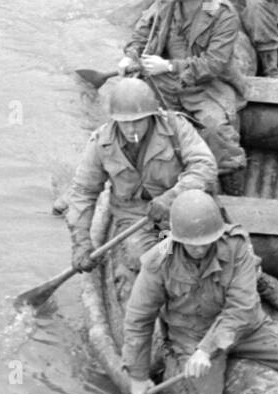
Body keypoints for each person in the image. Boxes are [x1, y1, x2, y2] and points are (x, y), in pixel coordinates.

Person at [122, 190, 278, 394]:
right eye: (191, 244)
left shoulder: (237, 246)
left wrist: (207, 350)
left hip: (246, 328)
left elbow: (242, 307)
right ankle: (170, 357)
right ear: (177, 238)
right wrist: (138, 377)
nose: (200, 249)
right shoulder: (159, 260)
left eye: (206, 242)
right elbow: (139, 319)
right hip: (190, 334)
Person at [66, 77, 216, 296]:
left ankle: (258, 280)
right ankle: (168, 271)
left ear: (152, 116)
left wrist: (171, 198)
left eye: (137, 121)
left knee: (217, 249)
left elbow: (205, 166)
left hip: (184, 206)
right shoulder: (101, 143)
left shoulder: (176, 127)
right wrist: (81, 243)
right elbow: (83, 192)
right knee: (144, 257)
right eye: (124, 122)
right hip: (134, 217)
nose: (130, 127)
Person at [122, 0, 253, 195]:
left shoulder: (223, 14)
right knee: (134, 110)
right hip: (165, 81)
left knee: (216, 129)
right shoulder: (166, 3)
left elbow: (214, 64)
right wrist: (130, 55)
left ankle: (231, 181)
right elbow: (143, 31)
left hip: (207, 85)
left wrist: (170, 66)